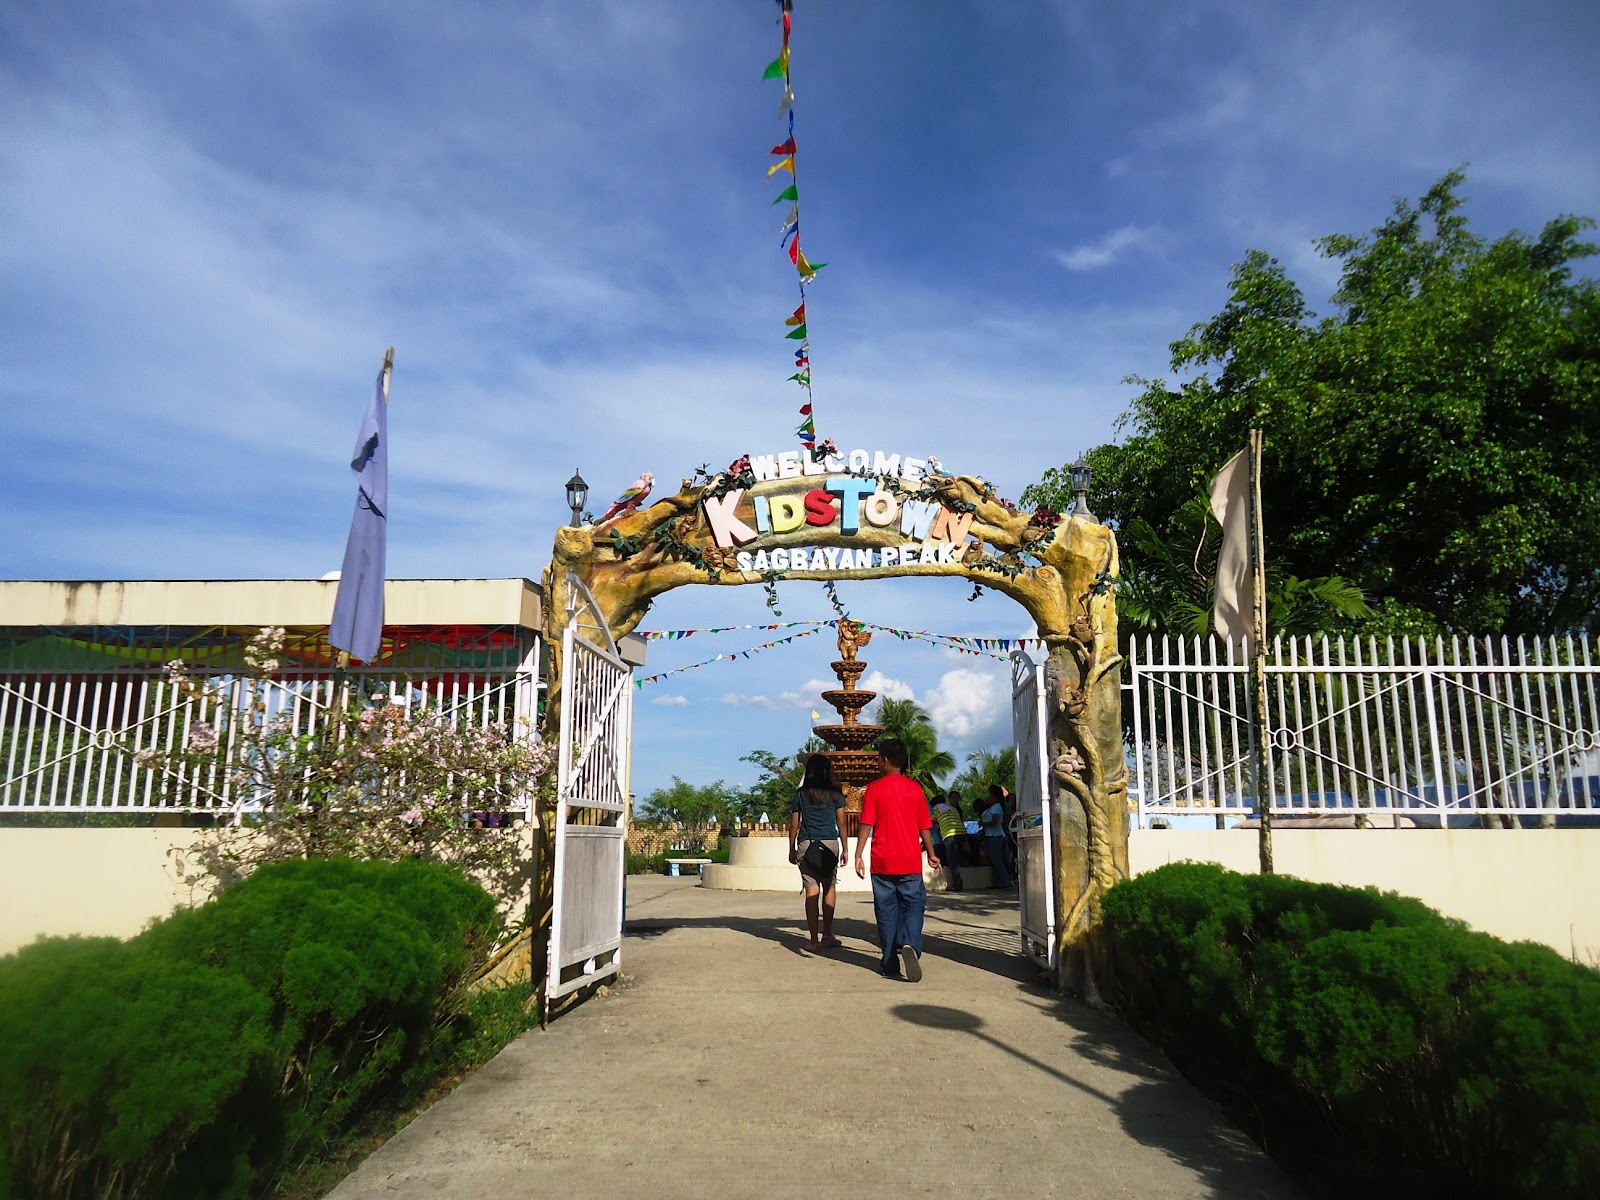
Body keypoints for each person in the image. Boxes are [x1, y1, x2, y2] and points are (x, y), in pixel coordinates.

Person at [854, 737, 939, 981]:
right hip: (909, 861)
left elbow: (866, 824)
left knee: (886, 911)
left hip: (881, 862)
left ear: (885, 760)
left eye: (879, 758)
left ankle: (889, 963)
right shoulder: (915, 789)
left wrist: (859, 854)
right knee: (913, 905)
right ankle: (910, 942)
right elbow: (925, 826)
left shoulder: (874, 789)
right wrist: (932, 854)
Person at [788, 755, 850, 948]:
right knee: (829, 887)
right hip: (830, 844)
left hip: (808, 844)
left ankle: (814, 940)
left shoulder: (800, 794)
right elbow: (841, 822)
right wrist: (846, 848)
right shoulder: (835, 794)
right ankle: (828, 933)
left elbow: (794, 825)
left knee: (811, 890)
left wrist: (791, 848)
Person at [981, 784, 1014, 889]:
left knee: (997, 860)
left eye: (990, 796)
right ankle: (998, 882)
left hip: (994, 835)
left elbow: (994, 822)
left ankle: (1006, 881)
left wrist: (983, 823)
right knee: (998, 860)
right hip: (997, 835)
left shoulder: (996, 808)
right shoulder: (995, 807)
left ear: (995, 797)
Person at [933, 791, 967, 891]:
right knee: (960, 855)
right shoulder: (953, 809)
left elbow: (931, 820)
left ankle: (957, 884)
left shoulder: (936, 808)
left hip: (949, 834)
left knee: (952, 861)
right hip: (961, 832)